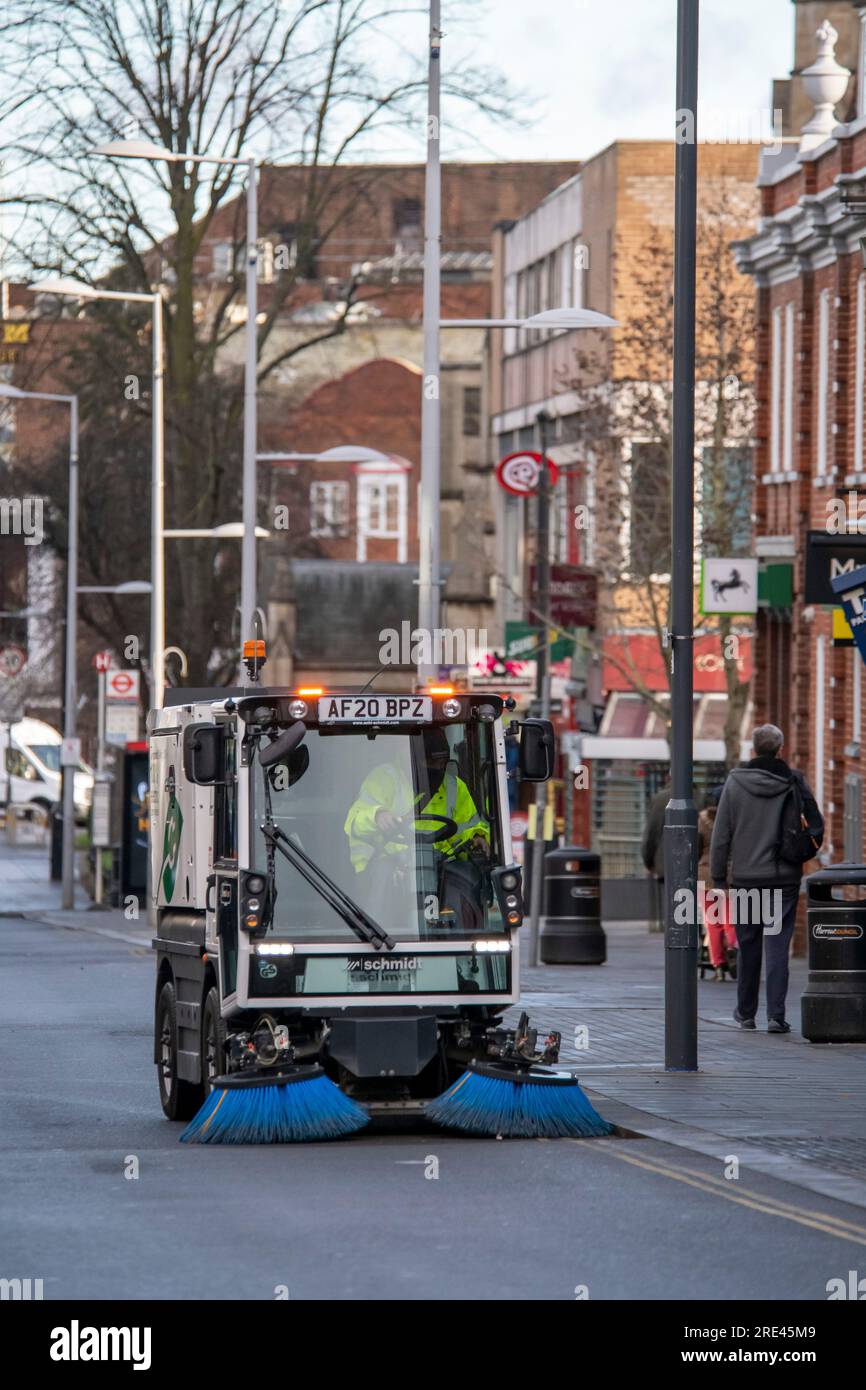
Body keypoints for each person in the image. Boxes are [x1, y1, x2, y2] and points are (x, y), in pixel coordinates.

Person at [710, 724, 823, 1034]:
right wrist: (804, 850)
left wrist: (718, 879)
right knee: (777, 946)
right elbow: (816, 823)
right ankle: (776, 1016)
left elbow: (721, 835)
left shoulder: (735, 783)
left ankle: (746, 1014)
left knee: (748, 946)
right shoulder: (793, 780)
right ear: (780, 749)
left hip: (746, 878)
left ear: (754, 749)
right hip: (783, 877)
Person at [344, 726, 490, 875]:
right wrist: (377, 816)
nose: (437, 769)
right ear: (413, 759)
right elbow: (354, 821)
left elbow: (466, 828)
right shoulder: (383, 779)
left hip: (438, 868)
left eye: (441, 763)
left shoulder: (454, 786)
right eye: (430, 763)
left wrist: (476, 837)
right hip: (385, 868)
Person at [697, 785, 736, 981]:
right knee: (731, 920)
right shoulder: (735, 819)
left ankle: (718, 963)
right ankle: (734, 951)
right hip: (730, 875)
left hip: (706, 875)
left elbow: (695, 848)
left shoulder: (701, 820)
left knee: (712, 922)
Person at [641, 782, 671, 931]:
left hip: (666, 861)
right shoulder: (700, 797)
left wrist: (648, 861)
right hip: (699, 865)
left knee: (672, 900)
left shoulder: (660, 799)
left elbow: (651, 833)